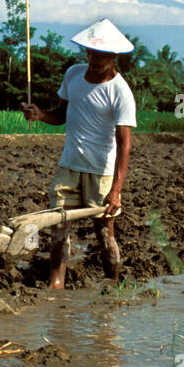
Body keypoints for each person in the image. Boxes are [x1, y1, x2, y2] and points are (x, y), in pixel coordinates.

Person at [20, 18, 136, 288]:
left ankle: (114, 283)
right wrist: (40, 115)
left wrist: (116, 190)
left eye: (102, 55)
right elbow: (61, 114)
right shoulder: (73, 74)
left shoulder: (120, 91)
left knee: (104, 231)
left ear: (114, 56)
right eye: (91, 53)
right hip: (69, 165)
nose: (95, 59)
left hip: (101, 171)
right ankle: (55, 284)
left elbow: (125, 144)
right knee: (58, 224)